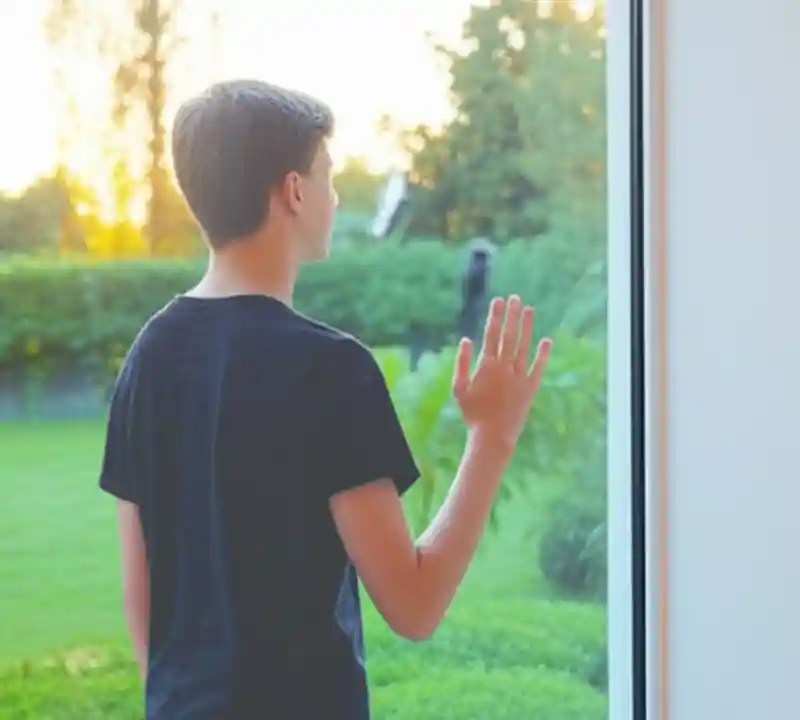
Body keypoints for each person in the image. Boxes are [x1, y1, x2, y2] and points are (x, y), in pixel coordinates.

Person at [98, 79, 553, 718]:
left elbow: (141, 593)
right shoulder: (331, 369)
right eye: (329, 177)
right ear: (294, 191)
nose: (336, 198)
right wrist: (493, 435)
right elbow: (415, 605)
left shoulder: (148, 357)